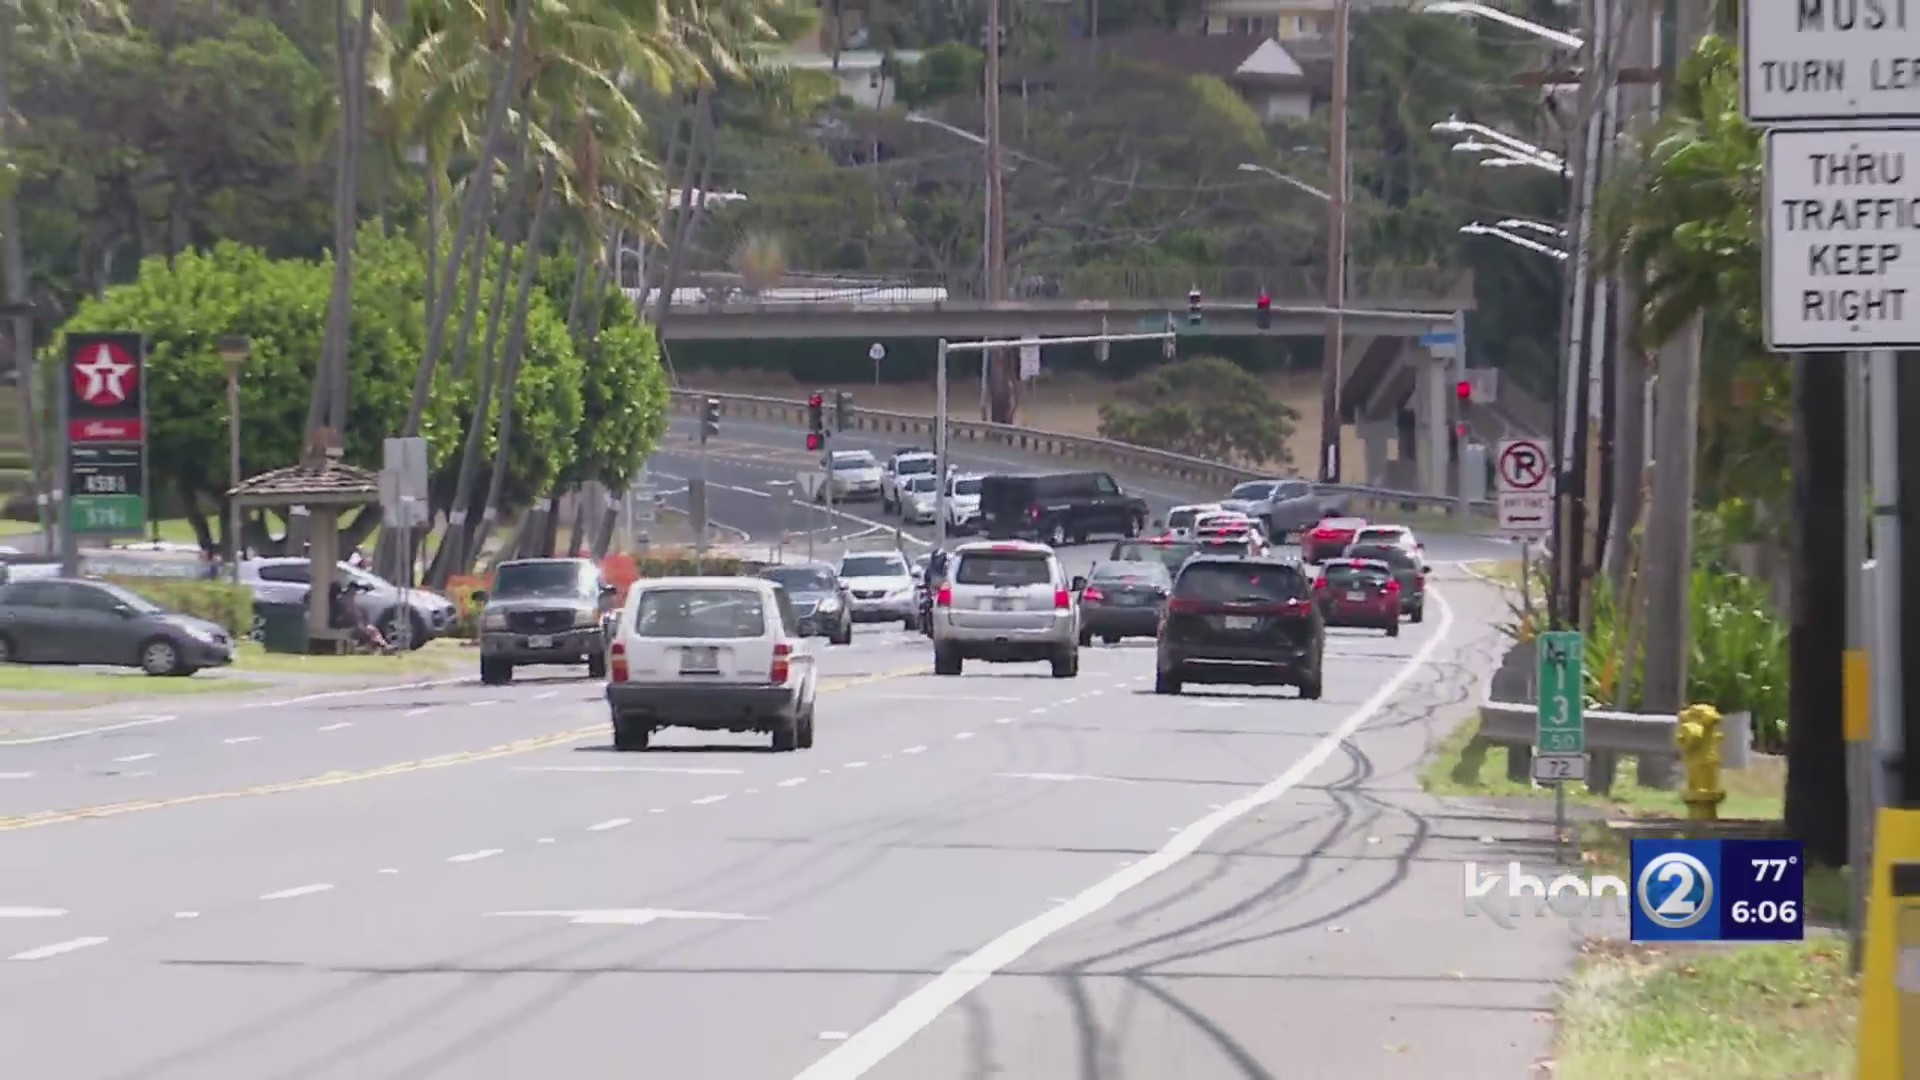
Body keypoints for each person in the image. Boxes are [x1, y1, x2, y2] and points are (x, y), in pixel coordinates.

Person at [328, 577, 390, 653]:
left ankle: (383, 646)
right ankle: (382, 646)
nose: (355, 594)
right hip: (346, 626)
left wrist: (363, 623)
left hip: (356, 626)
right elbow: (340, 618)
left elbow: (360, 616)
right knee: (369, 631)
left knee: (371, 630)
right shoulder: (341, 602)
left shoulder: (348, 602)